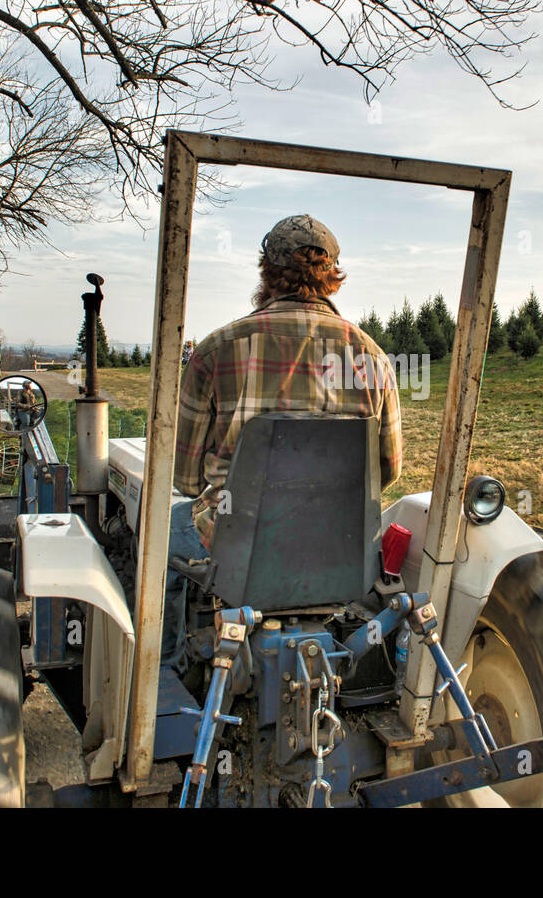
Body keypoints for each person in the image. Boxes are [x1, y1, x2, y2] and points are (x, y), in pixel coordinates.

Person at [161, 214, 402, 667]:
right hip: (341, 549)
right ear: (332, 276)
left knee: (160, 533)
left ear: (267, 272)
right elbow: (388, 470)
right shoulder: (373, 357)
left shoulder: (218, 348)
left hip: (237, 545)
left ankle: (167, 667)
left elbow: (187, 479)